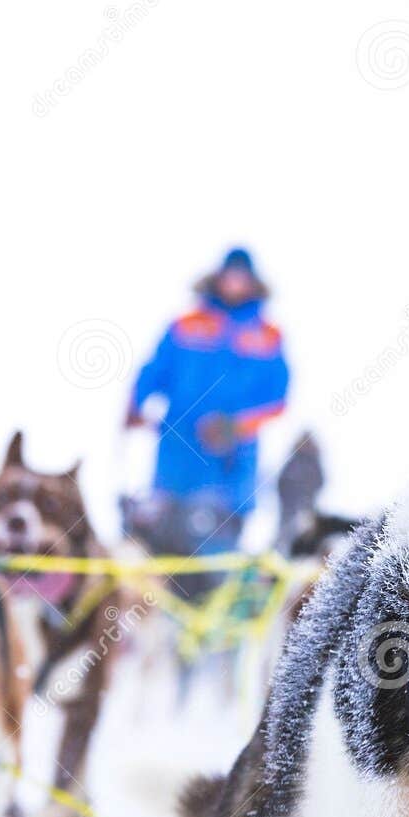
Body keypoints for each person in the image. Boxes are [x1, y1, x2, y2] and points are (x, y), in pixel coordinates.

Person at [124, 247, 289, 576]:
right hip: (175, 458)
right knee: (160, 545)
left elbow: (278, 400)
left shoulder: (268, 336)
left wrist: (236, 426)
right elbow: (155, 370)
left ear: (253, 283)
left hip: (228, 467)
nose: (235, 283)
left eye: (242, 277)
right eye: (231, 275)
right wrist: (135, 404)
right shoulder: (186, 324)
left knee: (215, 553)